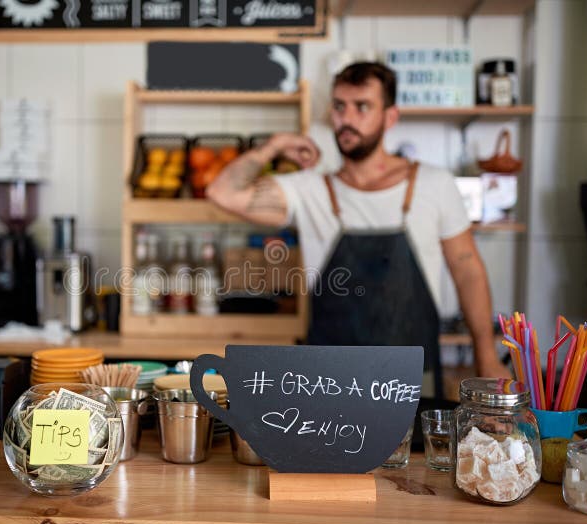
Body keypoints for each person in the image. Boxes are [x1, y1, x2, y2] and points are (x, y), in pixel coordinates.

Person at [206, 62, 510, 396]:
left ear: (390, 117)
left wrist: (486, 354)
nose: (346, 119)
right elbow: (221, 193)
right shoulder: (309, 190)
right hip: (328, 388)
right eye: (339, 106)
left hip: (412, 382)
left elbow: (467, 269)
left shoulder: (433, 184)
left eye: (362, 106)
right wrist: (274, 145)